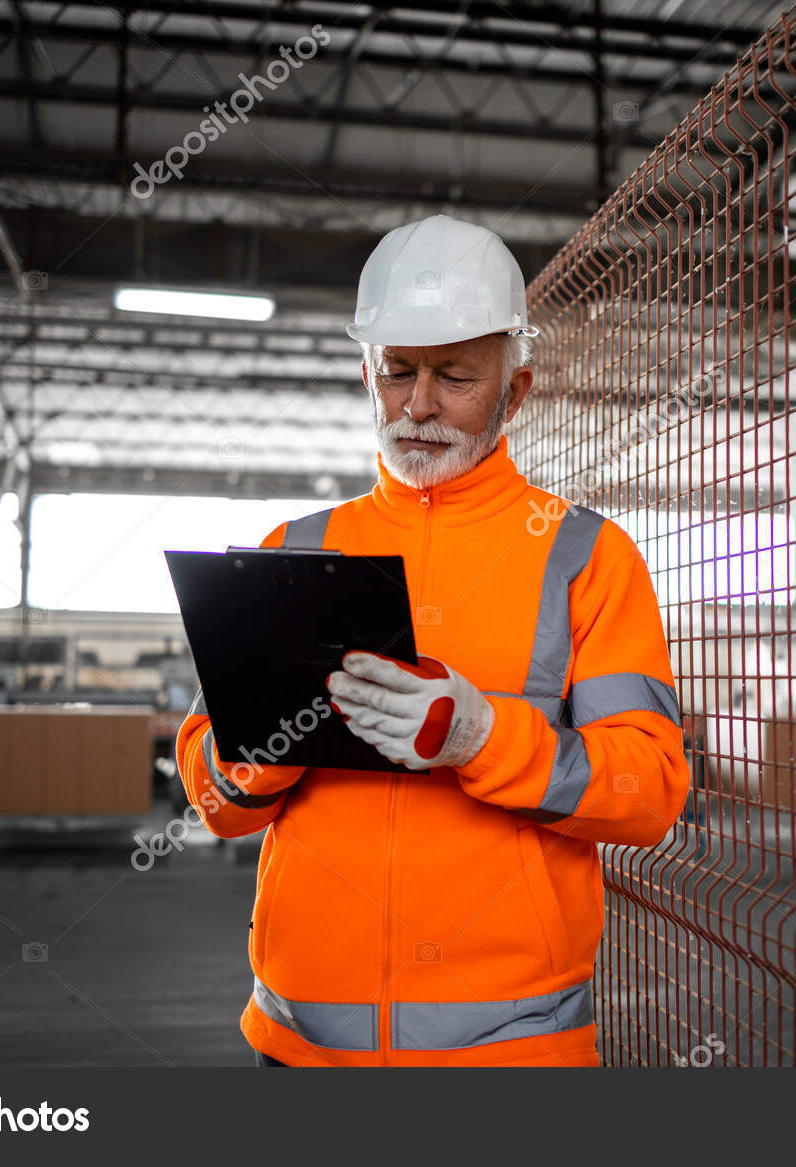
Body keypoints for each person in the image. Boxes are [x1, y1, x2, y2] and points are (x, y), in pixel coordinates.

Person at [175, 214, 688, 1067]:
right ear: (364, 374)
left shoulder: (584, 559)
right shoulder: (293, 553)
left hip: (510, 1056)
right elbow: (217, 802)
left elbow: (650, 791)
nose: (418, 406)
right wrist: (276, 736)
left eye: (454, 377)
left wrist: (482, 737)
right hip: (303, 1050)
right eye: (396, 373)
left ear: (515, 391)